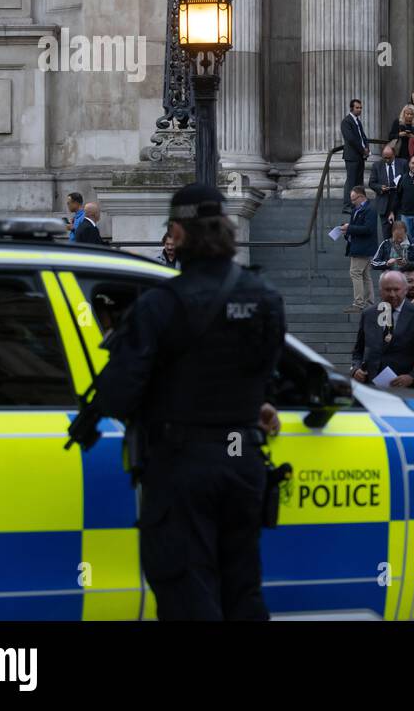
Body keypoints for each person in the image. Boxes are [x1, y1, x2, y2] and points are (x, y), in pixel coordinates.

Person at [93, 183, 285, 620]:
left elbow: (119, 394)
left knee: (186, 596)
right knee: (243, 591)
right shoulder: (265, 299)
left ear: (177, 234)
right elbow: (266, 377)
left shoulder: (159, 305)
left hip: (182, 466)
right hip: (243, 458)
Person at [351, 270, 414, 389]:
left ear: (405, 290)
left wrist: (413, 377)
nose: (392, 294)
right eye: (388, 290)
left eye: (396, 289)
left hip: (404, 389)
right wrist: (356, 369)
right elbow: (358, 350)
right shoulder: (368, 314)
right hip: (370, 386)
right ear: (380, 290)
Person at [342, 185, 378, 313]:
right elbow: (357, 227)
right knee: (365, 275)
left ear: (362, 197)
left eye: (354, 199)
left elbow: (368, 229)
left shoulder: (370, 209)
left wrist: (350, 228)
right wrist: (347, 230)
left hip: (363, 247)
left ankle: (358, 303)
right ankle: (369, 302)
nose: (352, 202)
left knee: (355, 273)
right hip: (359, 246)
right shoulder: (357, 209)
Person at [368, 144, 408, 241]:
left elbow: (407, 179)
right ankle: (387, 255)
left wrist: (401, 185)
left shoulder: (403, 163)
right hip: (384, 203)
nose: (386, 160)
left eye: (389, 158)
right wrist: (380, 187)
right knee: (386, 235)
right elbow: (371, 183)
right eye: (384, 157)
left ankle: (400, 255)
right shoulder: (377, 166)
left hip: (399, 203)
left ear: (394, 155)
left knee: (400, 232)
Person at [340, 99, 371, 213]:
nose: (359, 109)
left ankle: (358, 204)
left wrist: (367, 147)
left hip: (359, 156)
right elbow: (351, 139)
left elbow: (363, 136)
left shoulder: (357, 121)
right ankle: (347, 205)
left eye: (360, 107)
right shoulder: (346, 121)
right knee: (351, 181)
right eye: (357, 107)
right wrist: (363, 150)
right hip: (352, 156)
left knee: (359, 181)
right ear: (351, 108)